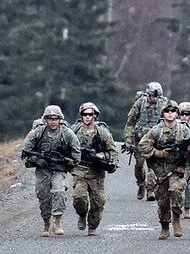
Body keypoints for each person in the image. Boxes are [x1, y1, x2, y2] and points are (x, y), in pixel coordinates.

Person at [139, 98, 190, 239]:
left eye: (173, 111)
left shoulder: (184, 130)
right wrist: (158, 153)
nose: (170, 113)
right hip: (160, 170)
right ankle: (165, 226)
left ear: (177, 113)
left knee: (176, 191)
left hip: (177, 168)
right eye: (167, 111)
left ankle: (177, 218)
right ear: (163, 113)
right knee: (162, 200)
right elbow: (143, 146)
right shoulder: (156, 131)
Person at [21, 105, 81, 237]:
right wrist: (37, 160)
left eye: (56, 119)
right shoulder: (38, 132)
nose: (53, 122)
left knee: (59, 192)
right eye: (50, 119)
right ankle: (46, 223)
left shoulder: (67, 133)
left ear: (60, 119)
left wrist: (70, 162)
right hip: (43, 170)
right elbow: (26, 150)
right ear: (46, 119)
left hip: (59, 169)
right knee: (44, 197)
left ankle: (57, 221)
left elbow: (77, 152)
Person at [69, 101, 119, 236]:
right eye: (84, 114)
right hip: (79, 169)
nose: (87, 117)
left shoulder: (102, 132)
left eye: (90, 114)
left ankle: (92, 225)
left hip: (97, 171)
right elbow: (66, 147)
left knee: (98, 202)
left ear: (95, 115)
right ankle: (82, 214)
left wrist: (101, 156)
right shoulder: (74, 131)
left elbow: (113, 152)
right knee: (79, 196)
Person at [124, 81, 168, 201]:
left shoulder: (163, 105)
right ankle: (141, 184)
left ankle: (150, 190)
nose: (155, 99)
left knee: (152, 166)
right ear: (148, 95)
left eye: (157, 96)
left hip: (156, 141)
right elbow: (130, 123)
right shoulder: (140, 103)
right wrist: (129, 140)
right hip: (139, 140)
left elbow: (170, 122)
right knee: (139, 165)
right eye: (153, 96)